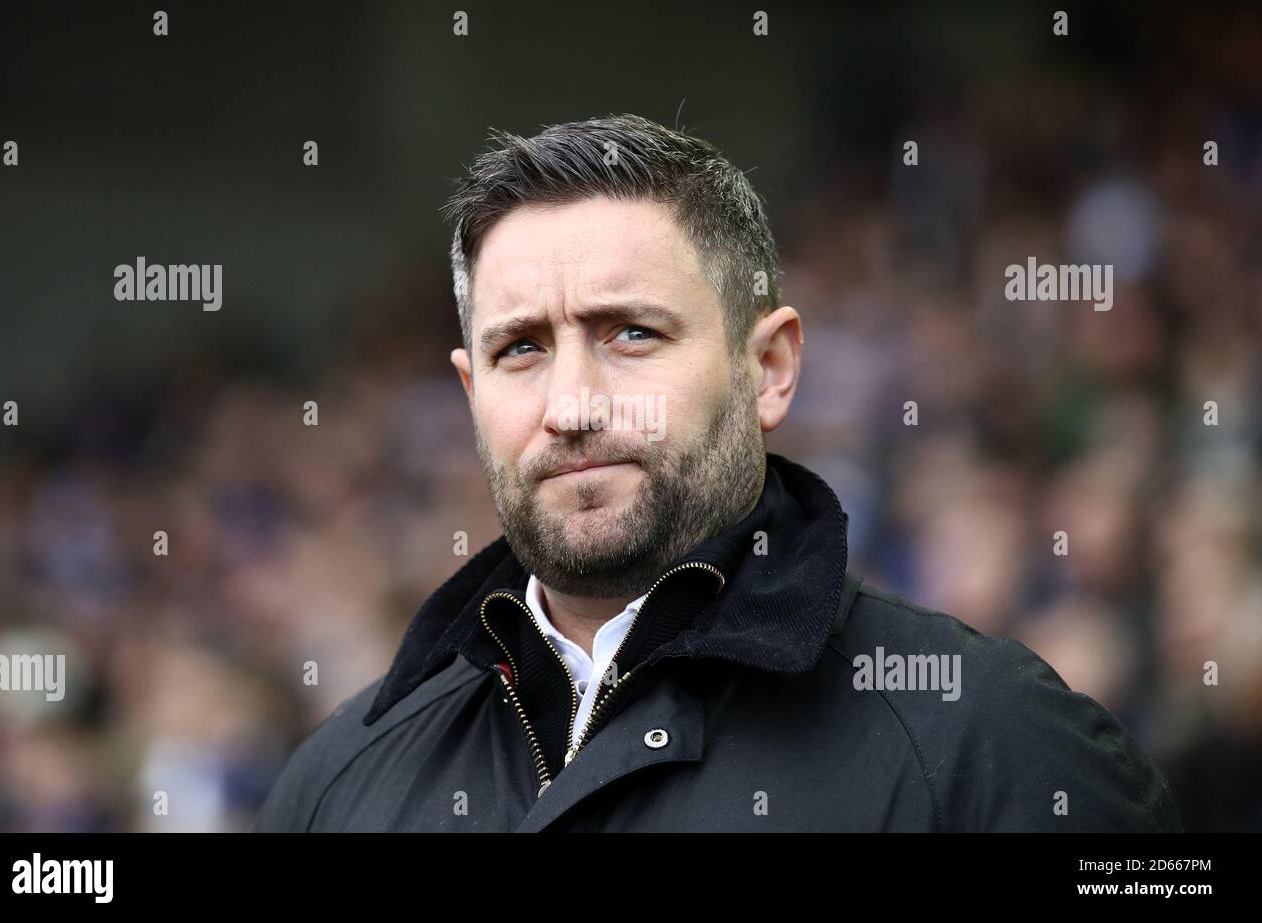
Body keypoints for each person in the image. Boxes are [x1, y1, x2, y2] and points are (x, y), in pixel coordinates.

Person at [252, 114, 1181, 832]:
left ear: (769, 367)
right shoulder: (335, 783)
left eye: (631, 333)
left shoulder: (994, 744)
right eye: (520, 349)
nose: (572, 404)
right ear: (469, 391)